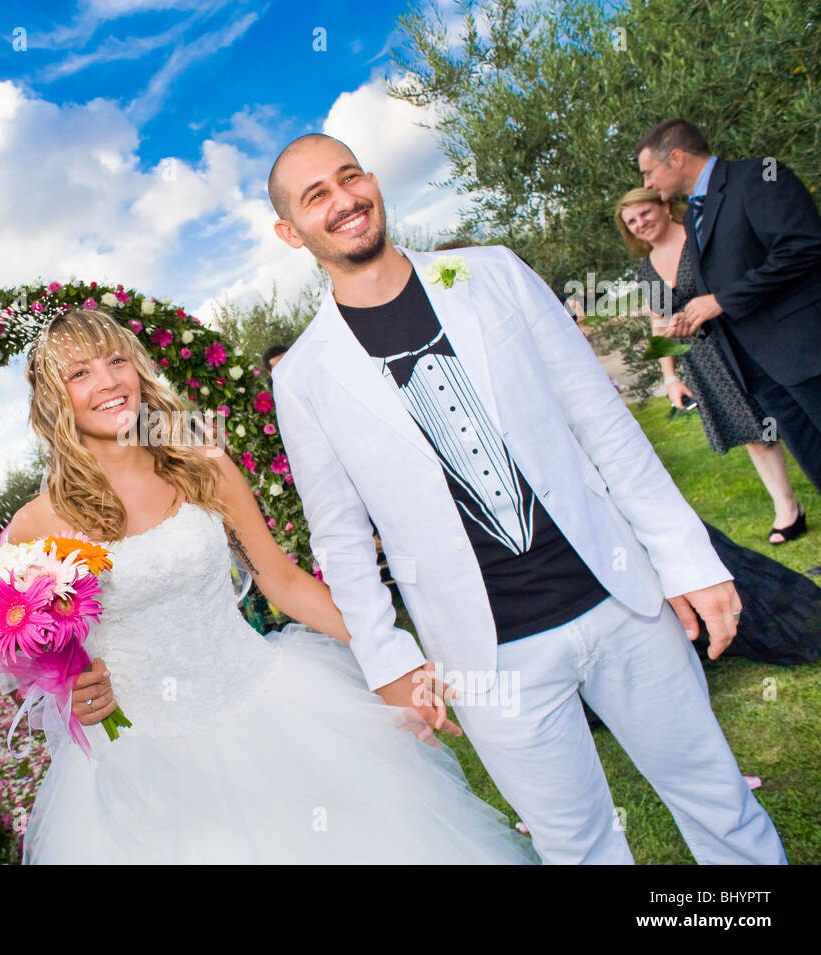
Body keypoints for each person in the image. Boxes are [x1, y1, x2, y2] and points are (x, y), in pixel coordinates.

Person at [266, 132, 785, 864]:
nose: (344, 200)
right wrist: (388, 660)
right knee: (578, 847)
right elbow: (341, 538)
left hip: (619, 602)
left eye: (350, 178)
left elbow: (603, 425)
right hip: (487, 658)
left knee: (718, 799)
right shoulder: (305, 375)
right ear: (291, 231)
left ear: (375, 181)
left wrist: (684, 559)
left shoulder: (493, 274)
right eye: (316, 195)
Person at [8, 307, 536, 864]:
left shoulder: (201, 468)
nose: (109, 381)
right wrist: (73, 685)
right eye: (80, 372)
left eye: (117, 361)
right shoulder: (36, 525)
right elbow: (29, 651)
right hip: (146, 764)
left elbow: (282, 580)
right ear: (53, 398)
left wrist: (390, 659)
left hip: (271, 707)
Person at [637, 118, 821, 496]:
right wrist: (683, 338)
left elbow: (802, 246)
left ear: (677, 157)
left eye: (648, 173)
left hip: (804, 352)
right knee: (812, 457)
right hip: (754, 368)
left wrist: (720, 301)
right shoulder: (692, 216)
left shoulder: (759, 177)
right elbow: (681, 309)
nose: (647, 185)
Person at [616, 186, 805, 544]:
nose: (641, 223)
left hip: (748, 340)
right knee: (753, 432)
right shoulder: (646, 271)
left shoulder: (702, 236)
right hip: (705, 359)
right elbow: (661, 321)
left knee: (799, 417)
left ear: (665, 206)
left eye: (645, 213)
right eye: (632, 221)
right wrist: (670, 377)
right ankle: (788, 509)